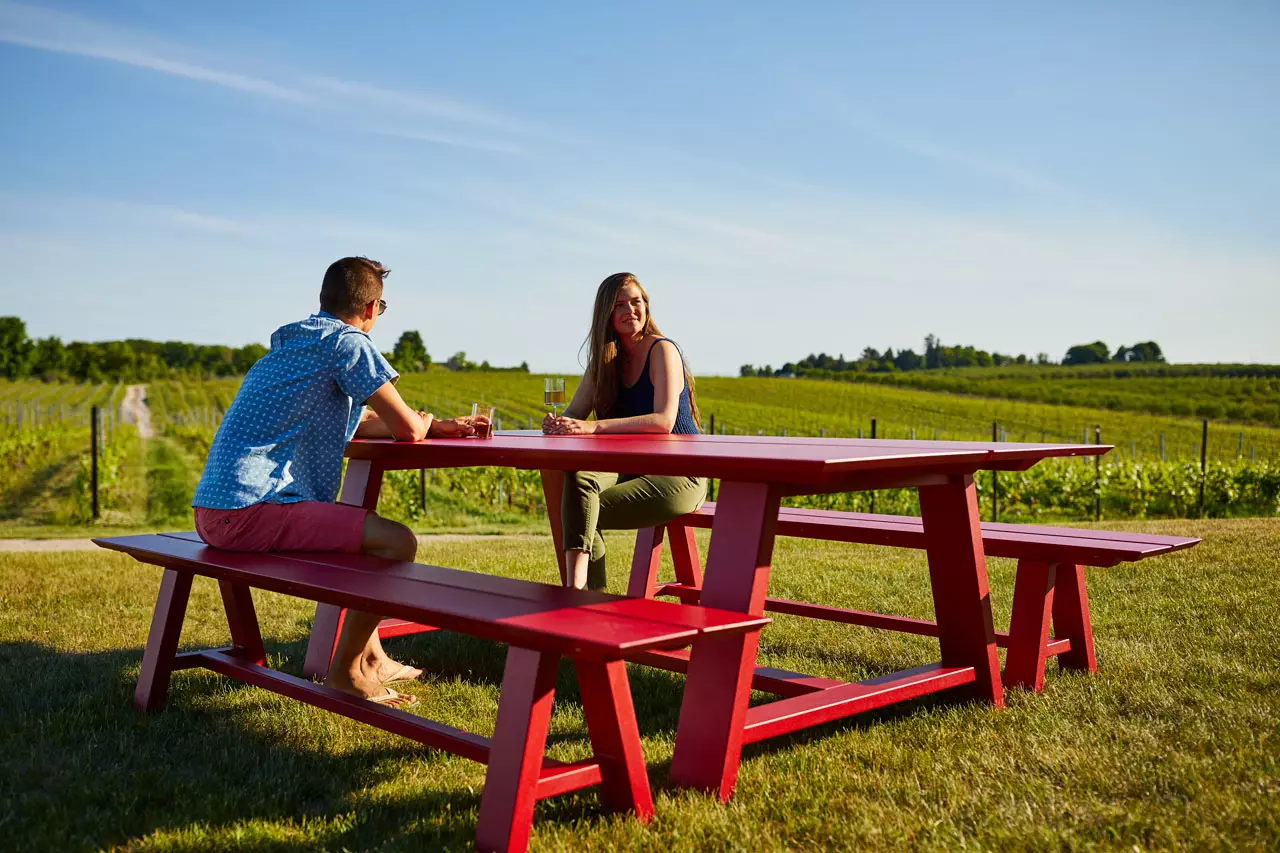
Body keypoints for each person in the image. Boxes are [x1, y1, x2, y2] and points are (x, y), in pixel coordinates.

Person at [191, 256, 483, 706]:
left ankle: (374, 657)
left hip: (217, 510)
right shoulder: (349, 345)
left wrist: (435, 423)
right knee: (396, 542)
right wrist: (423, 422)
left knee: (359, 532)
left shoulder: (298, 341)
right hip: (248, 513)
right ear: (371, 308)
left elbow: (366, 421)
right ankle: (346, 672)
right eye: (380, 309)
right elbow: (406, 429)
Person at [543, 272, 705, 590]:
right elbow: (575, 412)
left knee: (581, 509)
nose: (630, 309)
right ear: (606, 314)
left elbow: (663, 421)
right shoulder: (604, 362)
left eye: (636, 301)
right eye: (620, 304)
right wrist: (558, 423)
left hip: (680, 473)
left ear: (646, 306)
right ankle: (581, 594)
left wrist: (593, 426)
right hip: (629, 470)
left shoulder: (663, 350)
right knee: (579, 480)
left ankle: (581, 598)